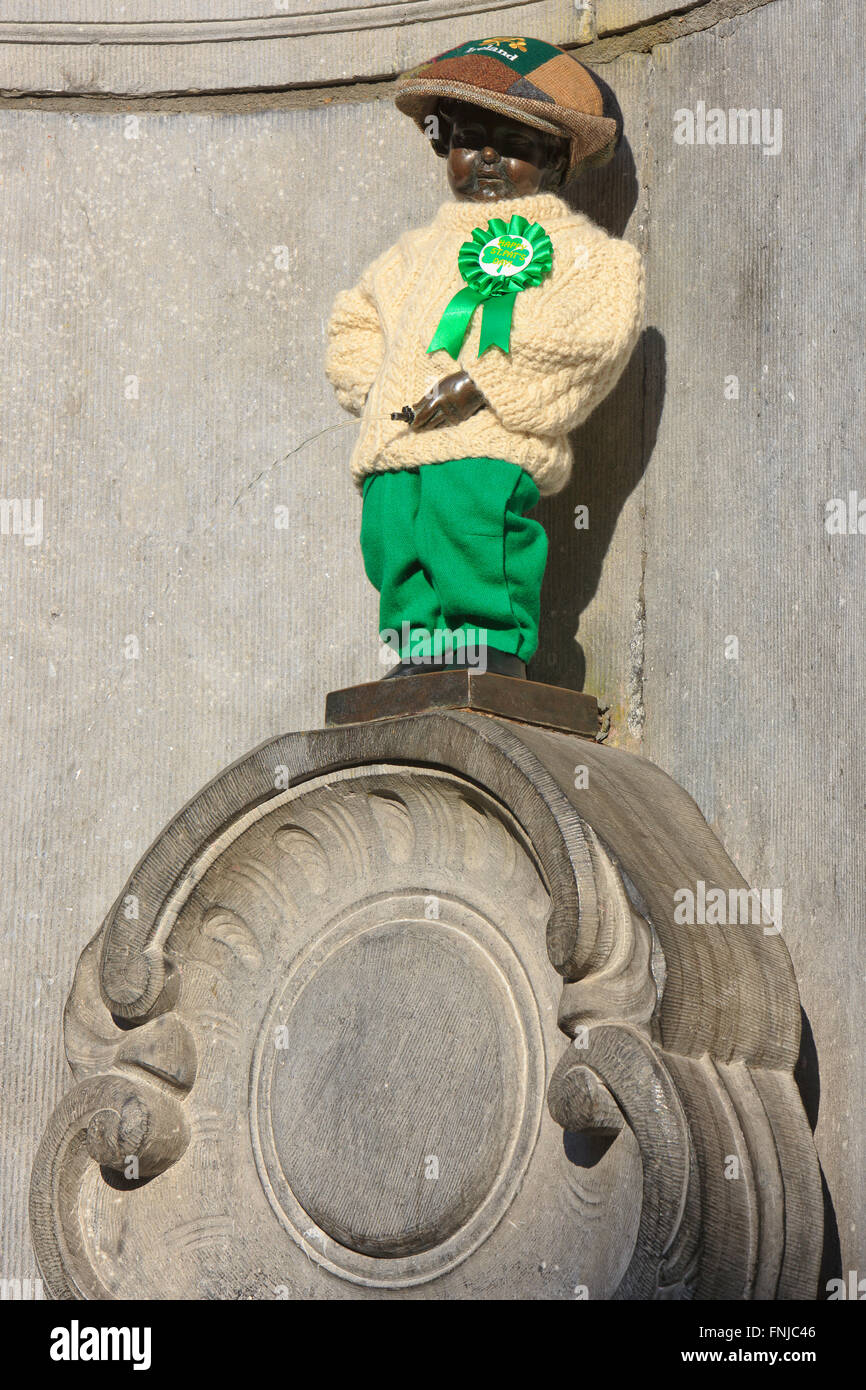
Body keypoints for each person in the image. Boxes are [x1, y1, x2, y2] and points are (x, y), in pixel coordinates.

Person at [325, 35, 645, 679]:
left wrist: (482, 381)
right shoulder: (410, 256)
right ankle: (422, 653)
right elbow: (352, 321)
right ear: (446, 147)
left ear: (556, 160)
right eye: (470, 139)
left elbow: (589, 336)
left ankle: (489, 648)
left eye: (515, 145)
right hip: (396, 441)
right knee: (394, 537)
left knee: (472, 527)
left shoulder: (589, 255)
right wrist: (379, 388)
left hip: (487, 442)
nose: (489, 158)